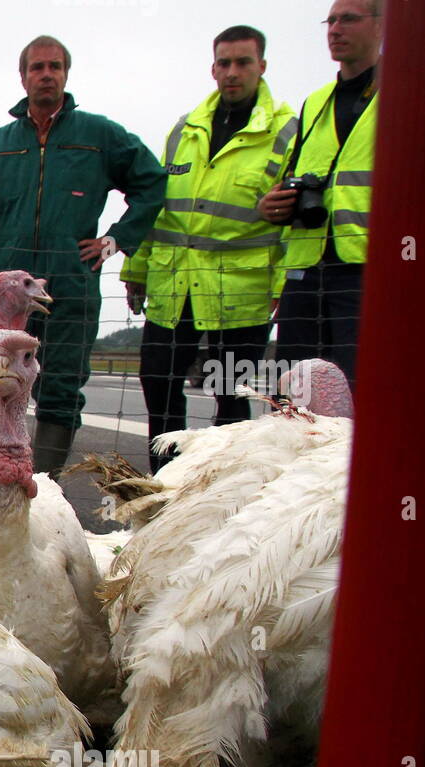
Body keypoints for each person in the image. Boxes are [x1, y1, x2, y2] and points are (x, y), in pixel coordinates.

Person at [0, 35, 165, 476]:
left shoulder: (99, 135)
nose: (46, 74)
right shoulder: (0, 144)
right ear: (23, 76)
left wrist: (115, 239)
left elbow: (151, 182)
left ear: (66, 74)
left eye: (54, 67)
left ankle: (43, 484)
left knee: (62, 387)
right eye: (37, 67)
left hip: (71, 282)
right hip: (8, 289)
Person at [122, 26, 298, 472]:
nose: (232, 72)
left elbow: (294, 222)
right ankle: (163, 489)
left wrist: (284, 285)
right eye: (224, 63)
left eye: (242, 63)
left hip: (240, 294)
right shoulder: (186, 129)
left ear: (262, 66)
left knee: (230, 396)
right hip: (173, 286)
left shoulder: (285, 132)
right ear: (212, 68)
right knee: (157, 382)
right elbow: (159, 206)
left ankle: (220, 493)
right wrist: (136, 268)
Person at [260, 0, 382, 388]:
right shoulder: (315, 101)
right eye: (330, 20)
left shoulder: (408, 94)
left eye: (348, 19)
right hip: (305, 268)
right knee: (295, 391)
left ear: (380, 26)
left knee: (358, 387)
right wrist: (273, 205)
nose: (335, 29)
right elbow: (296, 174)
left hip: (365, 266)